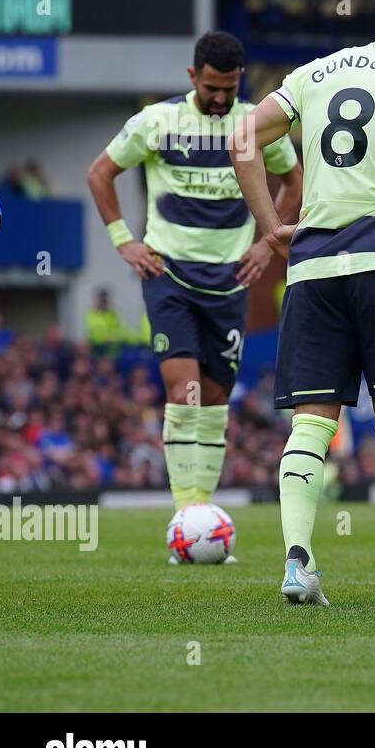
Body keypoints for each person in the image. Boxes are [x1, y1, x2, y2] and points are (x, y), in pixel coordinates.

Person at [228, 0, 375, 605]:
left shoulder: (316, 71)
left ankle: (297, 564)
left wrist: (267, 224)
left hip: (311, 265)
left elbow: (242, 139)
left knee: (312, 421)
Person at [86, 31, 302, 517]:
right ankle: (188, 513)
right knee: (182, 391)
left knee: (216, 400)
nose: (221, 98)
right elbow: (100, 172)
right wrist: (125, 241)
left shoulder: (254, 122)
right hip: (170, 275)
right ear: (192, 77)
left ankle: (201, 506)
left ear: (239, 80)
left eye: (229, 88)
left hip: (230, 281)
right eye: (211, 88)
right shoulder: (157, 121)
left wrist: (267, 246)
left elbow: (293, 179)